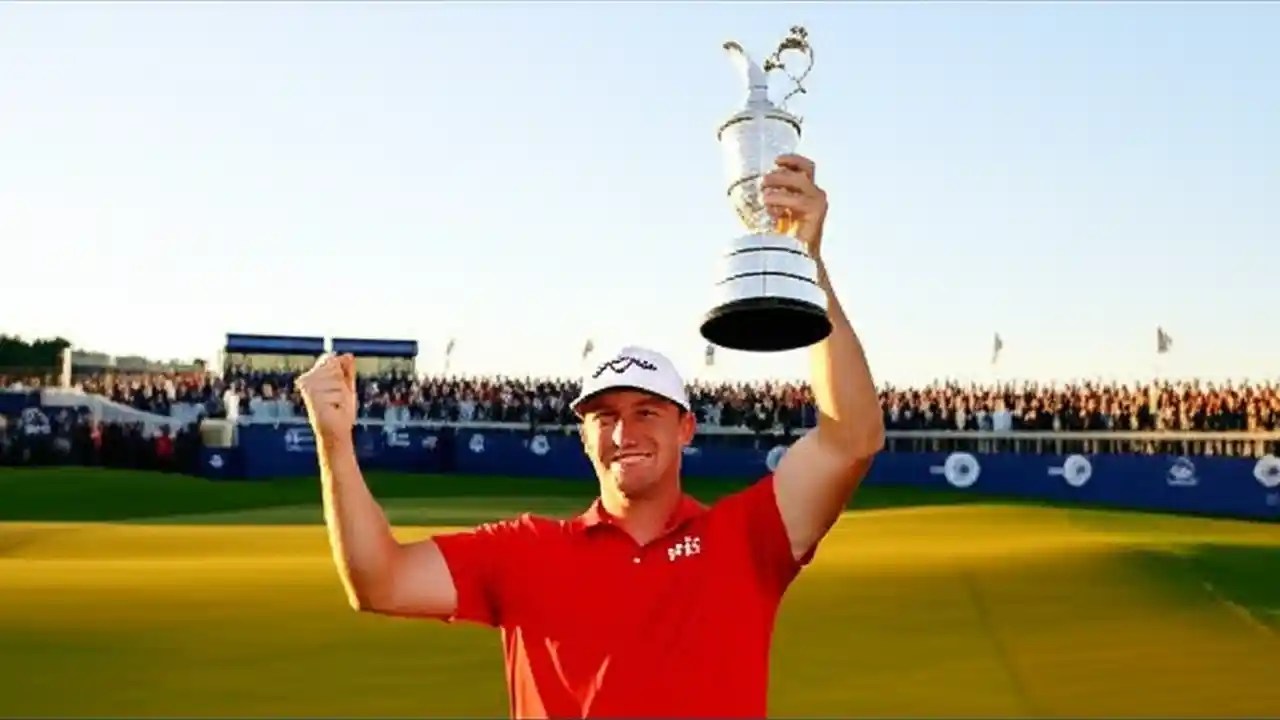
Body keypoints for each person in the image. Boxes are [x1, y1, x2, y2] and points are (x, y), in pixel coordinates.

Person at [297, 153, 885, 719]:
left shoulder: (745, 540)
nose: (624, 431)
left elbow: (851, 438)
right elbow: (379, 580)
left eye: (647, 412)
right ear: (583, 437)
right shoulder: (525, 552)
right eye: (604, 417)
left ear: (686, 428)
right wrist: (335, 443)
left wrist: (804, 262)